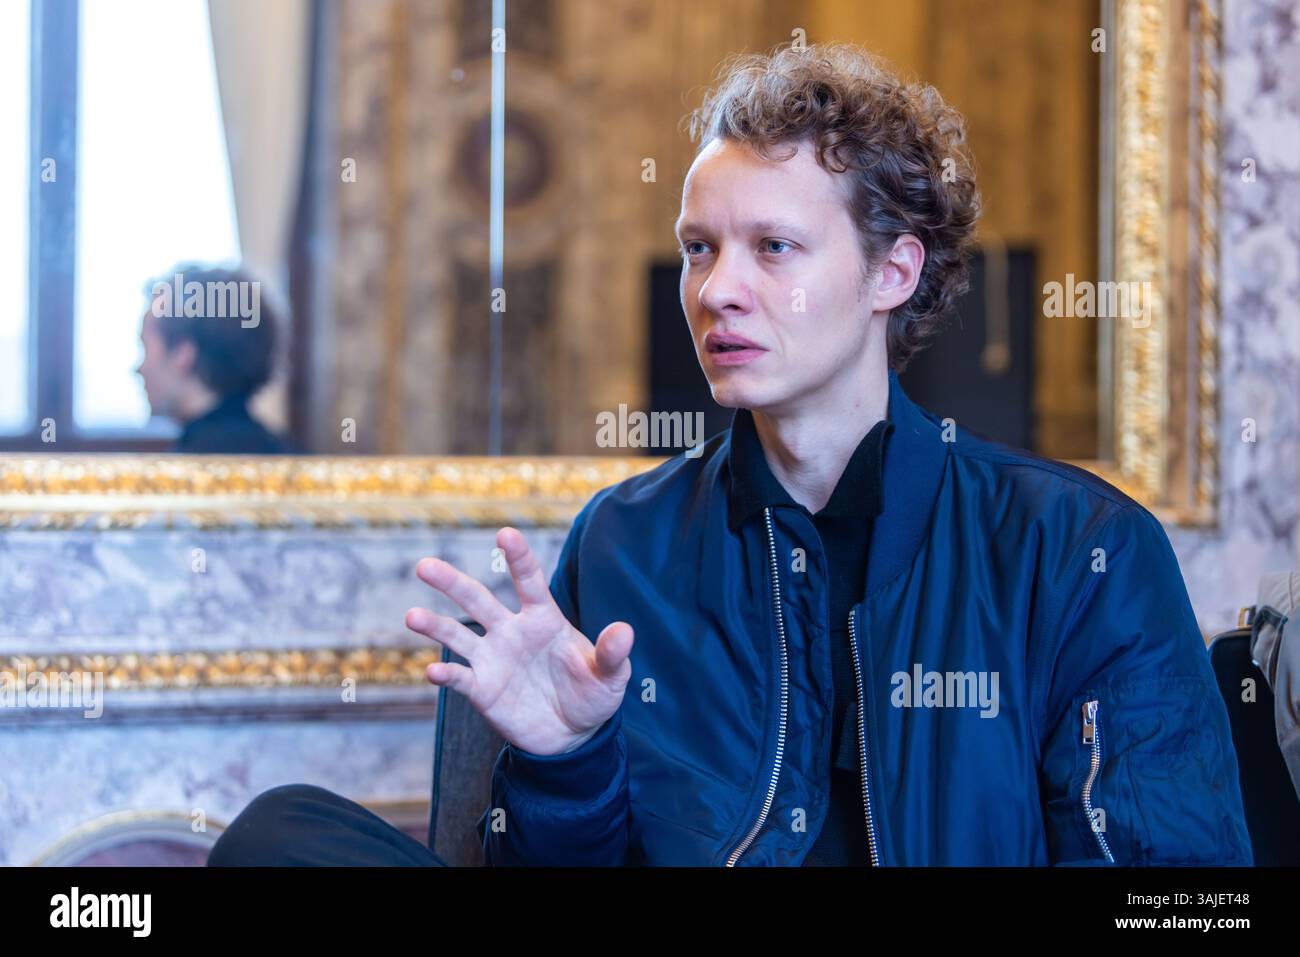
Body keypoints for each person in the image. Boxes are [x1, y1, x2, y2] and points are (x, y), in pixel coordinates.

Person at [209, 42, 1251, 866]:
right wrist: (567, 762)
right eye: (699, 248)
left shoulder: (1076, 549)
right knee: (282, 836)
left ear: (893, 272)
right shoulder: (624, 539)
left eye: (773, 248)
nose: (716, 290)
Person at [136, 263, 290, 454]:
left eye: (145, 347)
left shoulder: (177, 475)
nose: (139, 368)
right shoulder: (299, 463)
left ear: (183, 354)